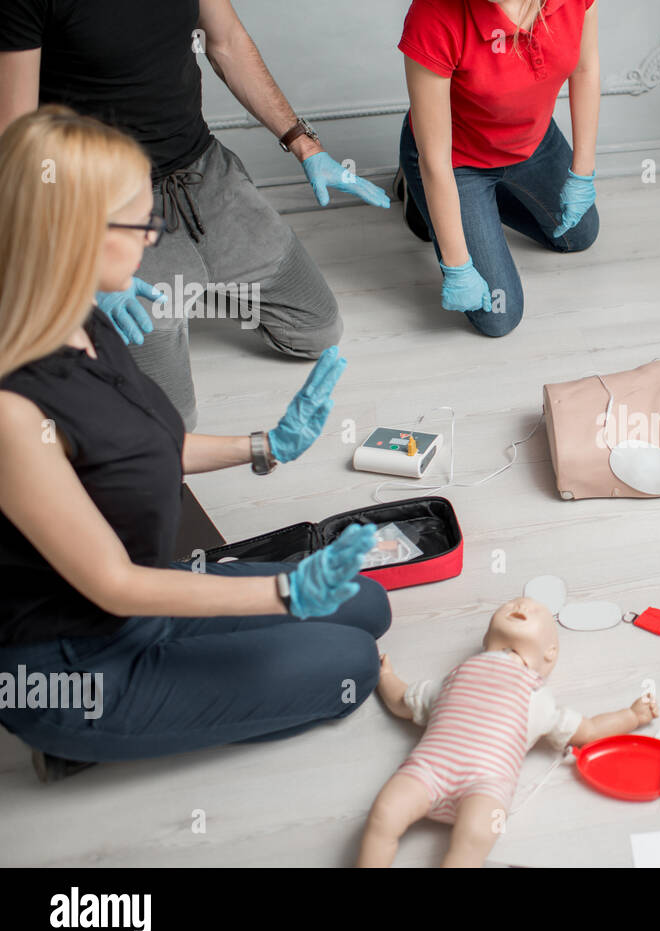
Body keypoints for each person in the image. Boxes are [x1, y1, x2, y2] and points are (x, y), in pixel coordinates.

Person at [0, 107, 390, 781]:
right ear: (74, 237)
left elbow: (142, 450)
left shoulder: (92, 317)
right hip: (77, 658)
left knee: (368, 605)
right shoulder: (12, 409)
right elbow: (116, 586)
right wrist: (285, 594)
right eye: (141, 223)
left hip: (145, 599)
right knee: (351, 669)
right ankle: (73, 739)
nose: (155, 237)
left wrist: (265, 444)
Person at [0, 0, 392, 431]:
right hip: (104, 198)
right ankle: (77, 304)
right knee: (172, 423)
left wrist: (305, 144)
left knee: (317, 330)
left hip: (201, 170)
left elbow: (227, 42)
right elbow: (17, 142)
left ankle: (193, 281)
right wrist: (84, 266)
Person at [396, 0, 600, 338]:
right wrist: (458, 265)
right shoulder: (432, 13)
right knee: (499, 315)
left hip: (533, 142)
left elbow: (585, 70)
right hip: (457, 160)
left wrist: (583, 172)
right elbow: (435, 158)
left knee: (579, 235)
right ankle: (417, 193)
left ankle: (469, 204)